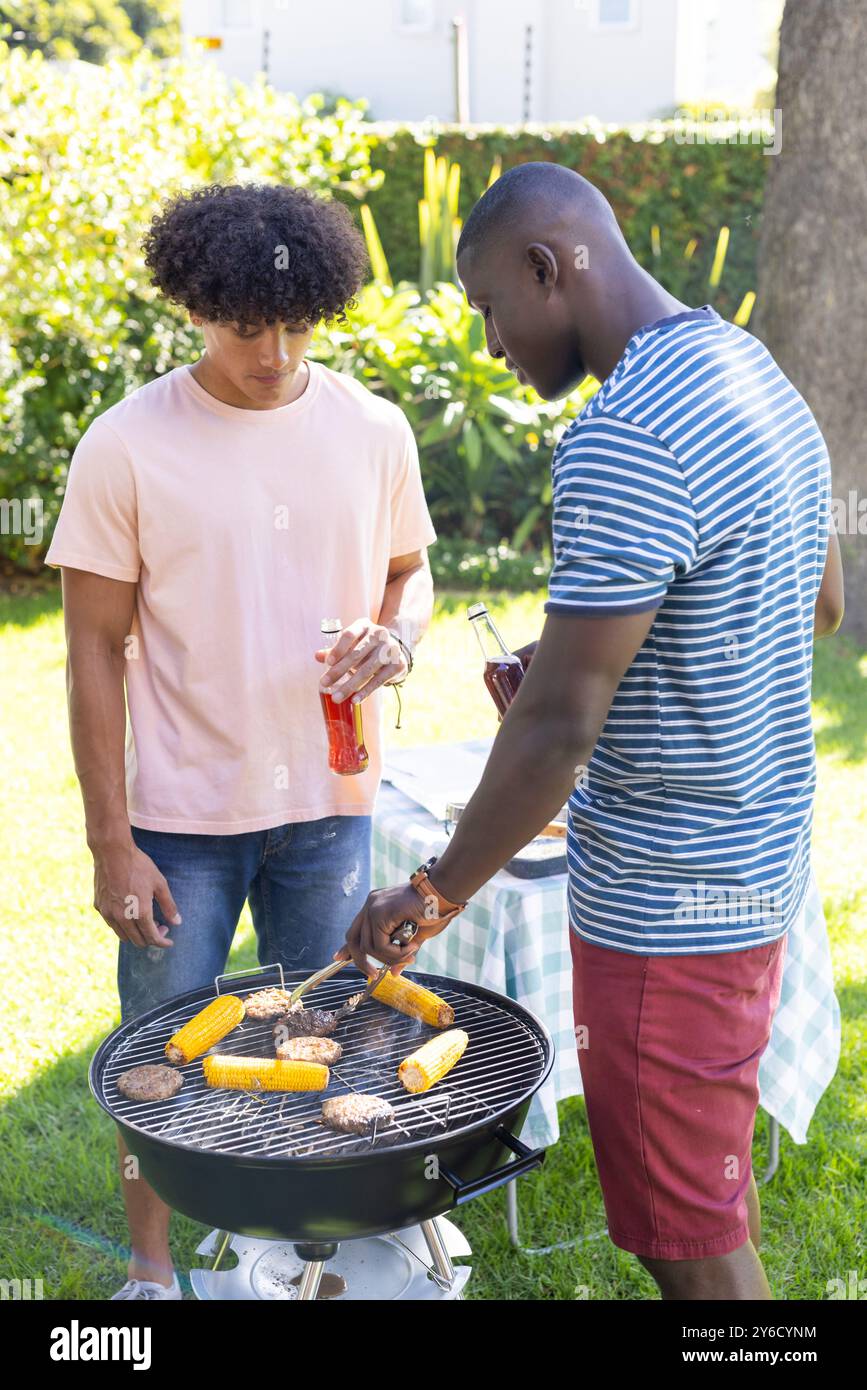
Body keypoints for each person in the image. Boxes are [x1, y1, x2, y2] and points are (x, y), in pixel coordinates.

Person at [340, 162, 844, 1302]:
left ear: (546, 267)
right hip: (755, 875)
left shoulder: (626, 432)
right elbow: (814, 605)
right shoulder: (754, 372)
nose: (488, 341)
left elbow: (557, 733)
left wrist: (428, 896)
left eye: (487, 307)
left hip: (665, 914)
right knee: (706, 1187)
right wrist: (590, 672)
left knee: (689, 1243)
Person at [46, 182, 436, 1299]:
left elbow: (409, 575)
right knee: (159, 1052)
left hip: (329, 804)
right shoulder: (125, 445)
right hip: (179, 821)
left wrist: (400, 642)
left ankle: (308, 1251)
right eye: (242, 324)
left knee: (327, 1035)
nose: (272, 352)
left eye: (296, 323)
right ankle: (153, 1270)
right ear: (194, 305)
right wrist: (109, 843)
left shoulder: (373, 430)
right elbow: (88, 652)